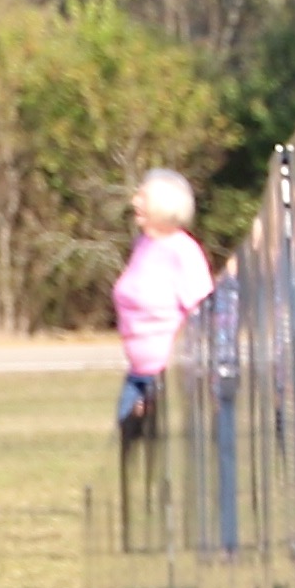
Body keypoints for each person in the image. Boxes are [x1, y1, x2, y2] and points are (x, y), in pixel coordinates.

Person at [114, 168, 214, 440]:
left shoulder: (182, 251)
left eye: (143, 197)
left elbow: (204, 312)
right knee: (128, 458)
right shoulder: (143, 245)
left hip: (166, 378)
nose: (135, 202)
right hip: (138, 374)